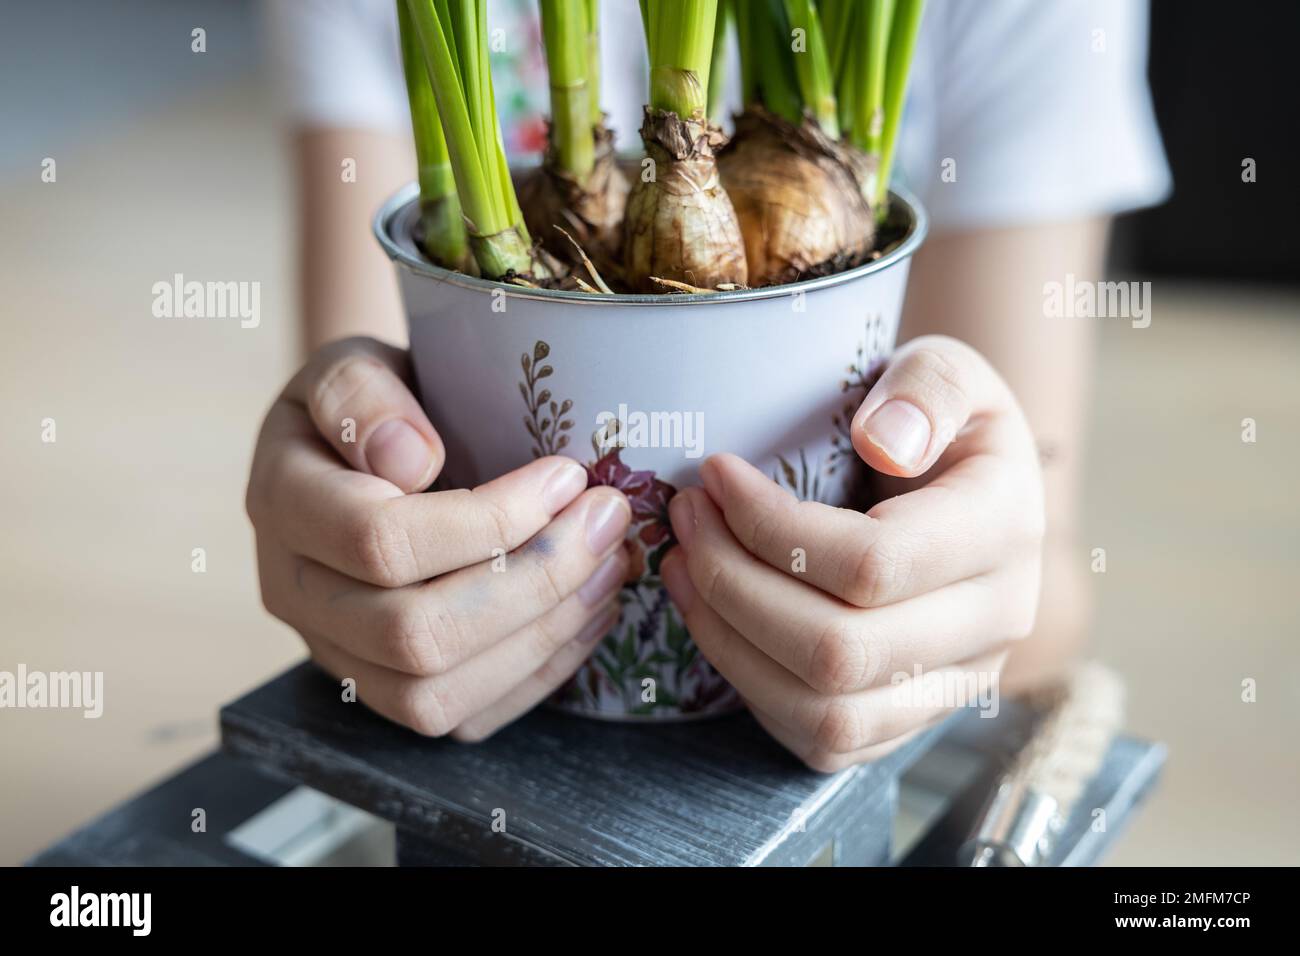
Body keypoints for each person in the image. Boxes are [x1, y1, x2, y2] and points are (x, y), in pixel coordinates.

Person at [249, 0, 1169, 767]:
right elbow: (371, 376)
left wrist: (978, 574)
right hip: (499, 757)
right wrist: (350, 499)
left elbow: (1041, 596)